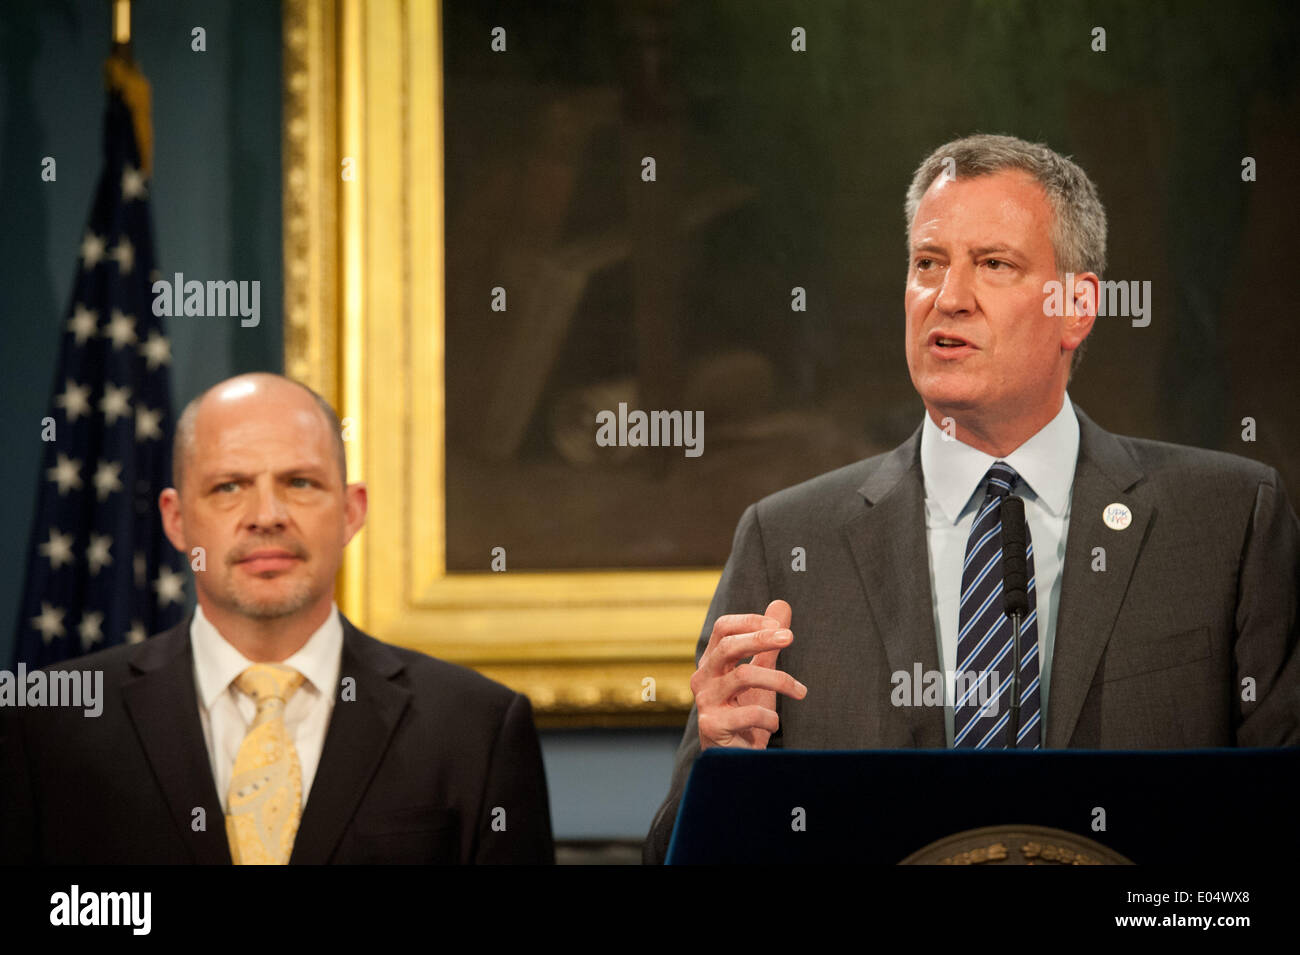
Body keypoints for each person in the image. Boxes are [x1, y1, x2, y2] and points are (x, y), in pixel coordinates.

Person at [644, 134, 1300, 864]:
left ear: (1077, 306)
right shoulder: (788, 541)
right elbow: (678, 855)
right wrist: (721, 764)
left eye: (994, 264)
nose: (947, 298)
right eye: (927, 264)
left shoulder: (1229, 521)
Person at [1, 373, 554, 864]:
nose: (266, 516)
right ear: (175, 520)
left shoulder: (476, 727)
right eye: (229, 486)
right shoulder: (51, 722)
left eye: (300, 483)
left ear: (350, 511)